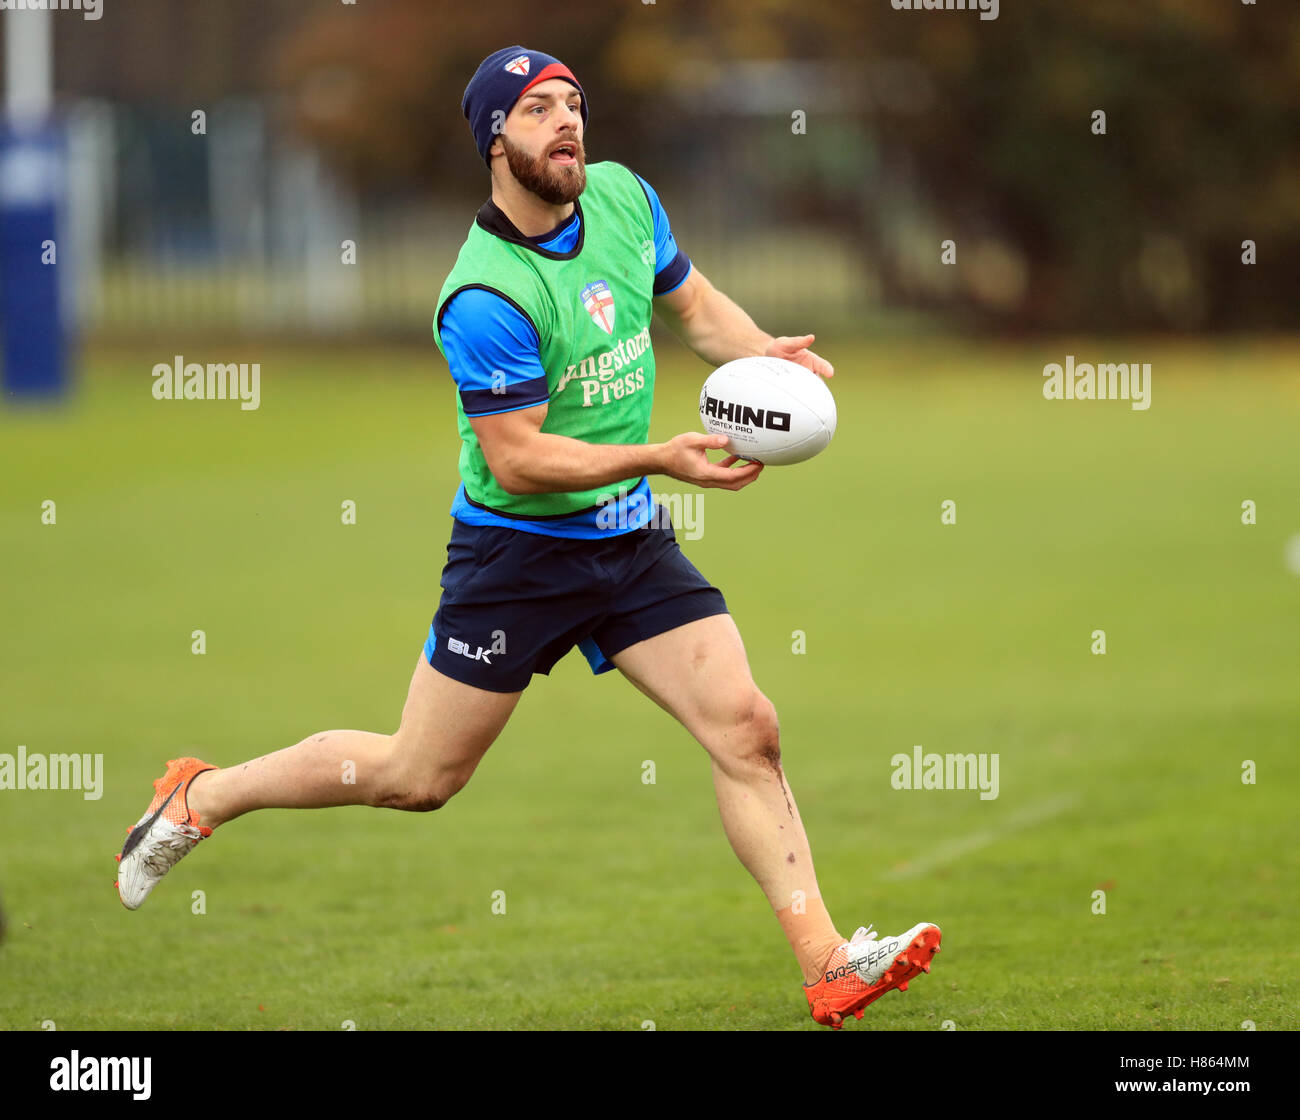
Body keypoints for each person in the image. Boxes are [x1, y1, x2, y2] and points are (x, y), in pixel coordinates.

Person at [115, 45, 940, 1029]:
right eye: (538, 108)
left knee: (745, 726)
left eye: (573, 103)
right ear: (494, 139)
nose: (566, 122)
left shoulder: (626, 201)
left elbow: (693, 306)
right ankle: (203, 793)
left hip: (628, 540)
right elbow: (520, 460)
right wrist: (661, 457)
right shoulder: (484, 295)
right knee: (416, 779)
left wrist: (761, 354)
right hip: (517, 557)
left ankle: (826, 961)